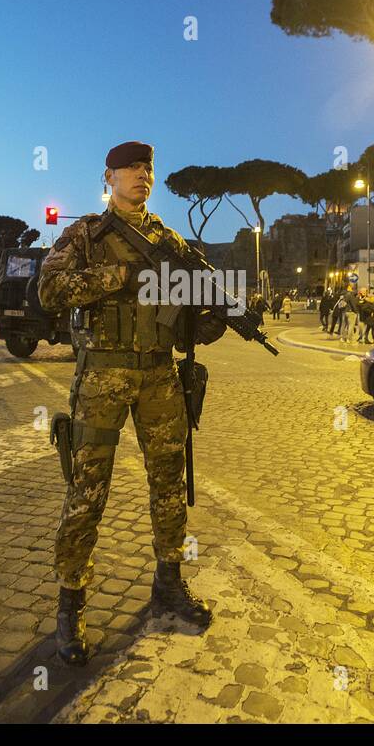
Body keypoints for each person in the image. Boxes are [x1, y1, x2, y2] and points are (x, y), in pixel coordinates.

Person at [37, 140, 224, 666]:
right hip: (102, 374)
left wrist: (208, 317)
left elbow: (195, 291)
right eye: (131, 169)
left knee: (169, 484)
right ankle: (70, 604)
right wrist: (119, 277)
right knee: (87, 490)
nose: (142, 176)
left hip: (160, 375)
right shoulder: (87, 235)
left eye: (148, 169)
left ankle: (168, 585)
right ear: (109, 177)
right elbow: (48, 291)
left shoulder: (168, 239)